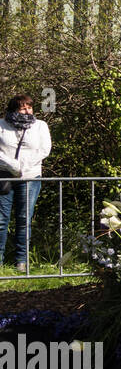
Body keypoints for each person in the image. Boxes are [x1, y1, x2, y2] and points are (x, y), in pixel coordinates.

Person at [0, 94, 52, 272]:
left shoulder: (40, 126)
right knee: (1, 220)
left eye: (29, 107)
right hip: (4, 177)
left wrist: (23, 166)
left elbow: (44, 149)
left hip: (30, 176)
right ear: (13, 109)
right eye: (23, 108)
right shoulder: (1, 125)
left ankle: (21, 261)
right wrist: (12, 165)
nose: (27, 111)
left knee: (24, 219)